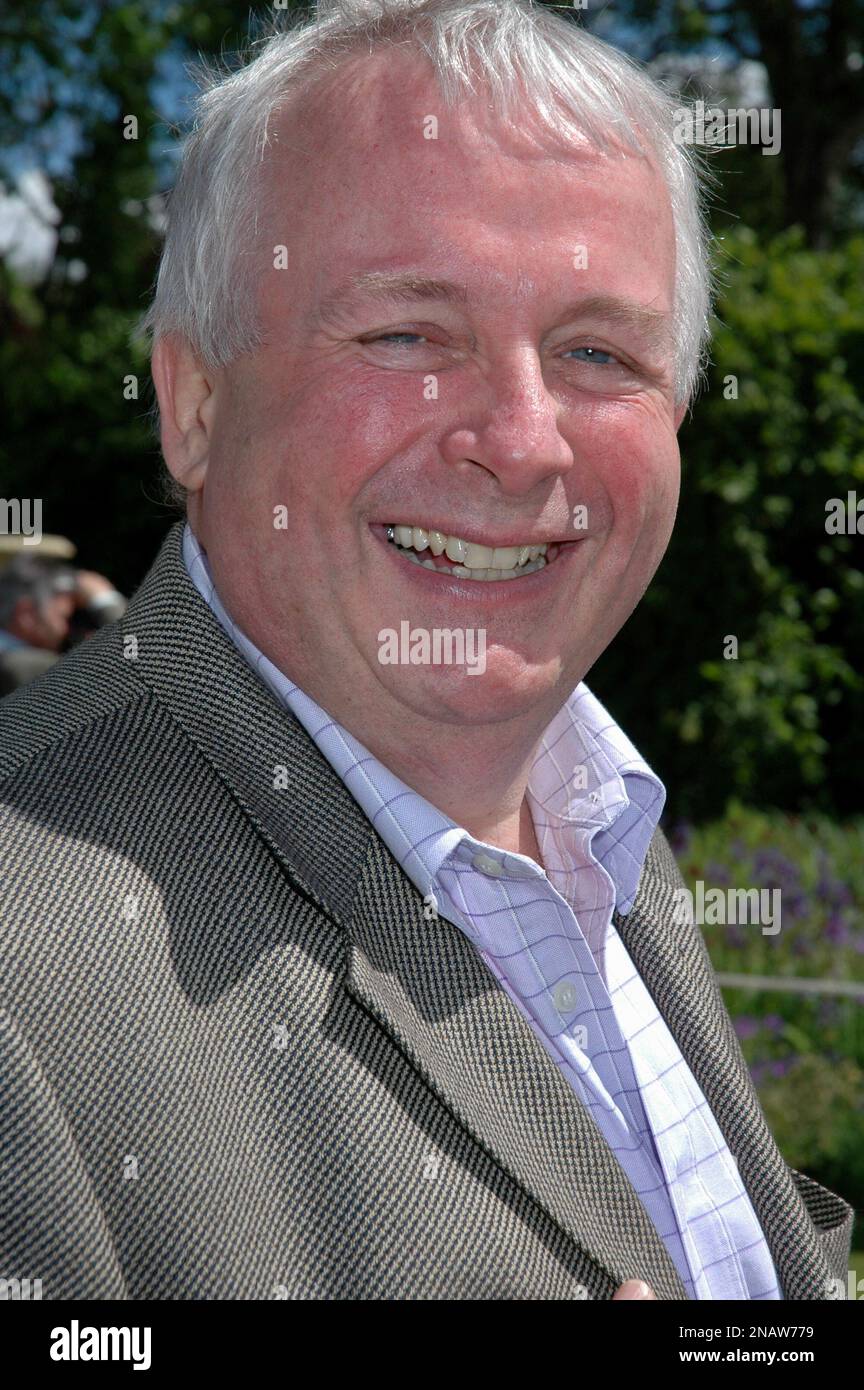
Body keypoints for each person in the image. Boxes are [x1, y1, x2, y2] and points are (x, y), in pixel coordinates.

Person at [0, 0, 853, 1301]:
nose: (522, 441)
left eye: (596, 350)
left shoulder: (596, 820)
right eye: (405, 334)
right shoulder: (25, 980)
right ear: (194, 407)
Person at [0, 552, 127, 695]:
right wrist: (105, 601)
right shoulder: (22, 665)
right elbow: (134, 658)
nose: (66, 630)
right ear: (26, 614)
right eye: (63, 617)